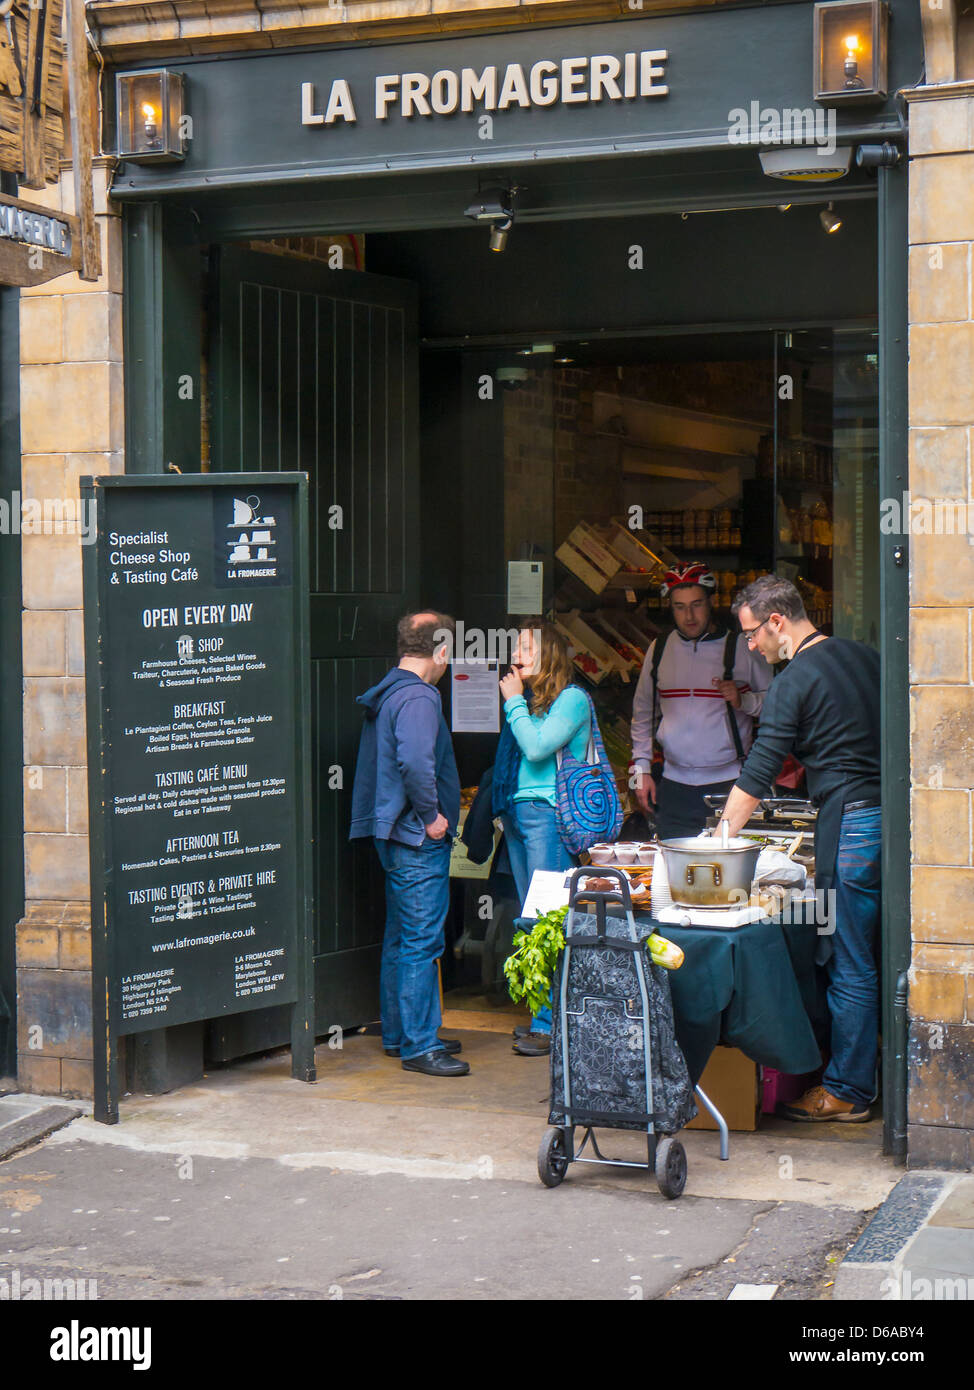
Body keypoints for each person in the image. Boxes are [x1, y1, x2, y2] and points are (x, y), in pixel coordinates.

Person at [716, 575, 881, 1122]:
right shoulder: (864, 658)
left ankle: (847, 1091)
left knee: (849, 960)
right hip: (890, 822)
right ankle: (868, 1074)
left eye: (751, 634)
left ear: (777, 622)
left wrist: (718, 843)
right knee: (876, 953)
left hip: (851, 825)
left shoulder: (793, 680)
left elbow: (759, 769)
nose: (751, 646)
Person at [349, 611, 468, 1078]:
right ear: (440, 652)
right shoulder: (420, 698)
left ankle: (402, 1035)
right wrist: (433, 818)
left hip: (393, 835)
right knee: (422, 941)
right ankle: (422, 1045)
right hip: (417, 838)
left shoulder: (391, 689)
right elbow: (415, 763)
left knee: (401, 937)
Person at [493, 622, 590, 1057]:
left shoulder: (570, 699)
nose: (517, 655)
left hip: (549, 819)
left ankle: (551, 1025)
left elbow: (535, 749)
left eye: (525, 648)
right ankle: (543, 1018)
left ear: (549, 652)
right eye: (515, 648)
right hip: (520, 816)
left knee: (547, 920)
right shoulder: (533, 701)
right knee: (531, 920)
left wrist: (513, 702)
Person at [630, 563, 771, 840]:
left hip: (730, 785)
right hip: (673, 786)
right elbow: (642, 714)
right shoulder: (658, 649)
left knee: (728, 874)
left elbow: (777, 705)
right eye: (680, 607)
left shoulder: (742, 647)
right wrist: (641, 772)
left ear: (711, 602)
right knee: (674, 875)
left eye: (696, 605)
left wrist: (744, 700)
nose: (689, 616)